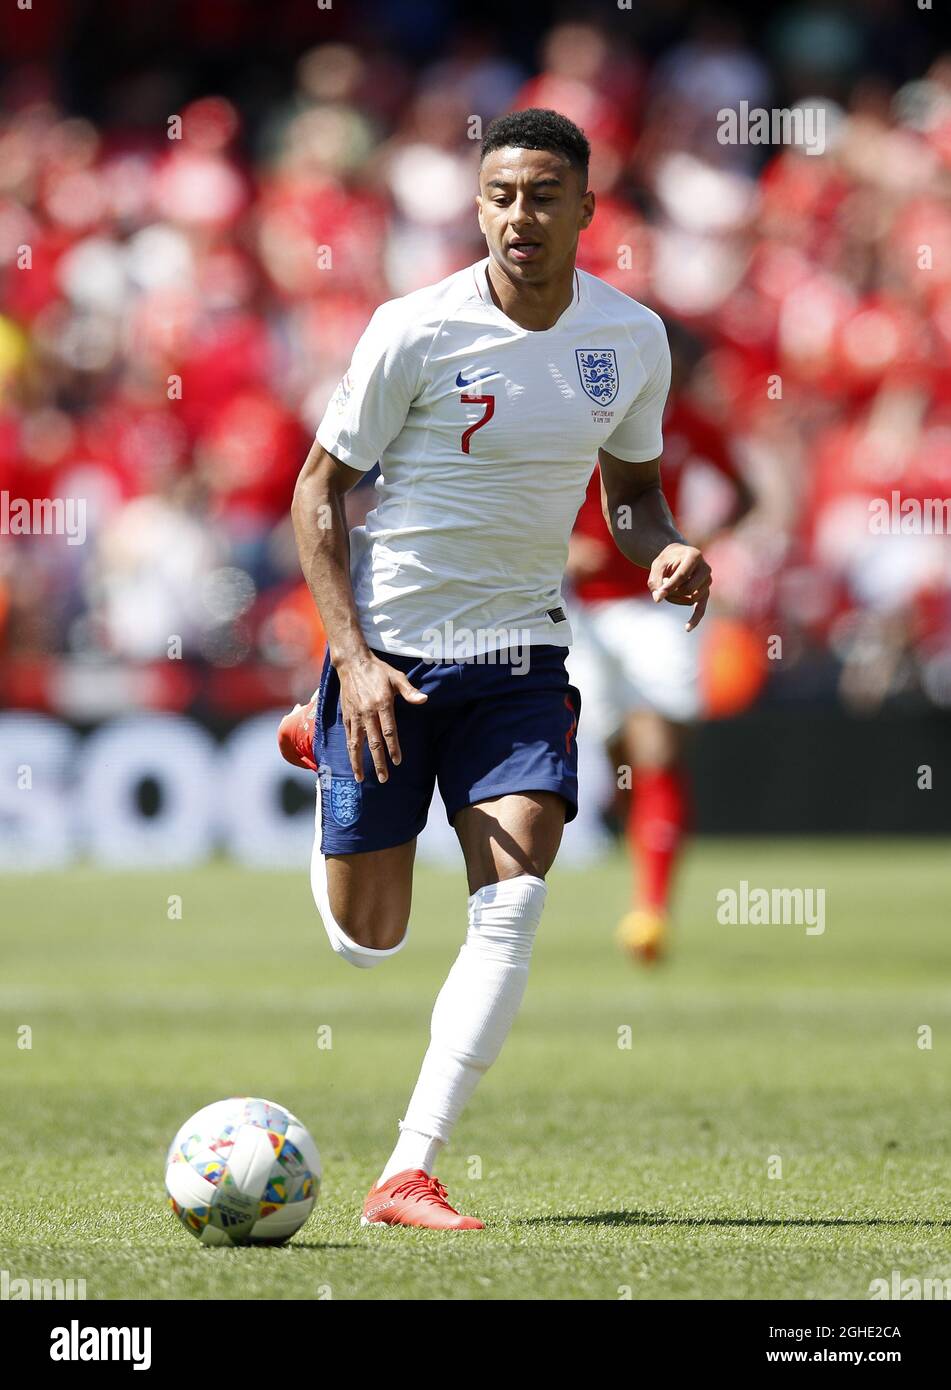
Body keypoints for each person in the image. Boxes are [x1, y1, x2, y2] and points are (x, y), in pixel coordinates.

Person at [278, 108, 711, 1230]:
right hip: (391, 658)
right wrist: (349, 659)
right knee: (369, 942)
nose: (521, 215)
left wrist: (662, 548)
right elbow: (317, 490)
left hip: (521, 656)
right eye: (502, 195)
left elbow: (632, 494)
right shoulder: (414, 328)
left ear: (586, 209)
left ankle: (406, 1169)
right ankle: (323, 730)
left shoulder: (630, 338)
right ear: (479, 206)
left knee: (512, 904)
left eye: (544, 196)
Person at [566, 325, 752, 962]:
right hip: (583, 610)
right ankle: (644, 858)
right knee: (616, 751)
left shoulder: (688, 421)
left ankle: (651, 909)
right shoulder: (583, 414)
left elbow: (744, 494)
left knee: (657, 747)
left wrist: (694, 543)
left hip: (659, 607)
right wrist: (562, 549)